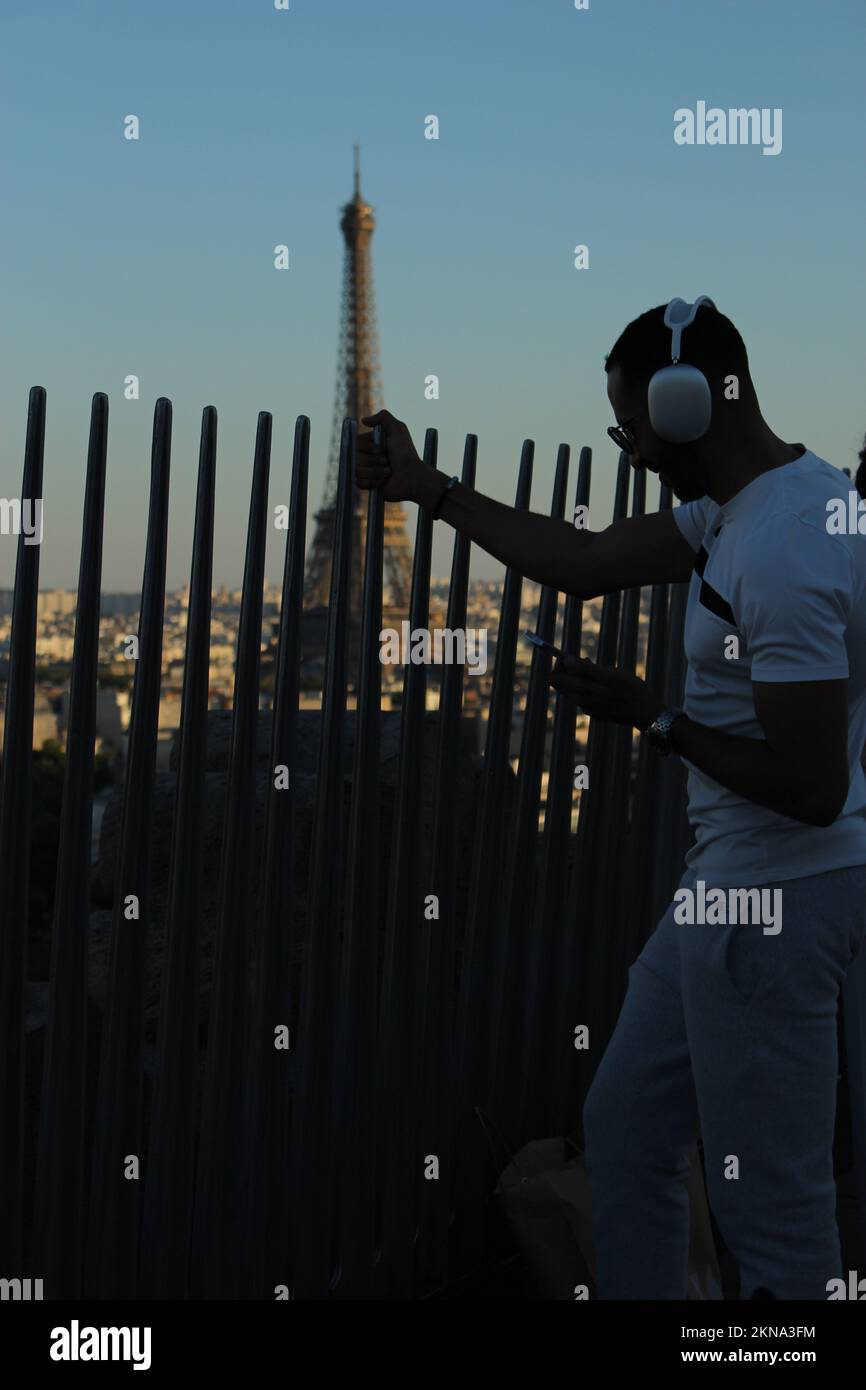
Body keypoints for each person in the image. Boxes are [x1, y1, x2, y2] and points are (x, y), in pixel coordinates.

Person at [355, 299, 866, 1300]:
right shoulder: (763, 504)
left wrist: (655, 719)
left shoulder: (777, 548)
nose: (627, 450)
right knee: (627, 1127)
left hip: (770, 901)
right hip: (724, 895)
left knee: (773, 1211)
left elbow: (812, 789)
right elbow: (584, 566)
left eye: (630, 427)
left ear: (683, 410)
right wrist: (429, 490)